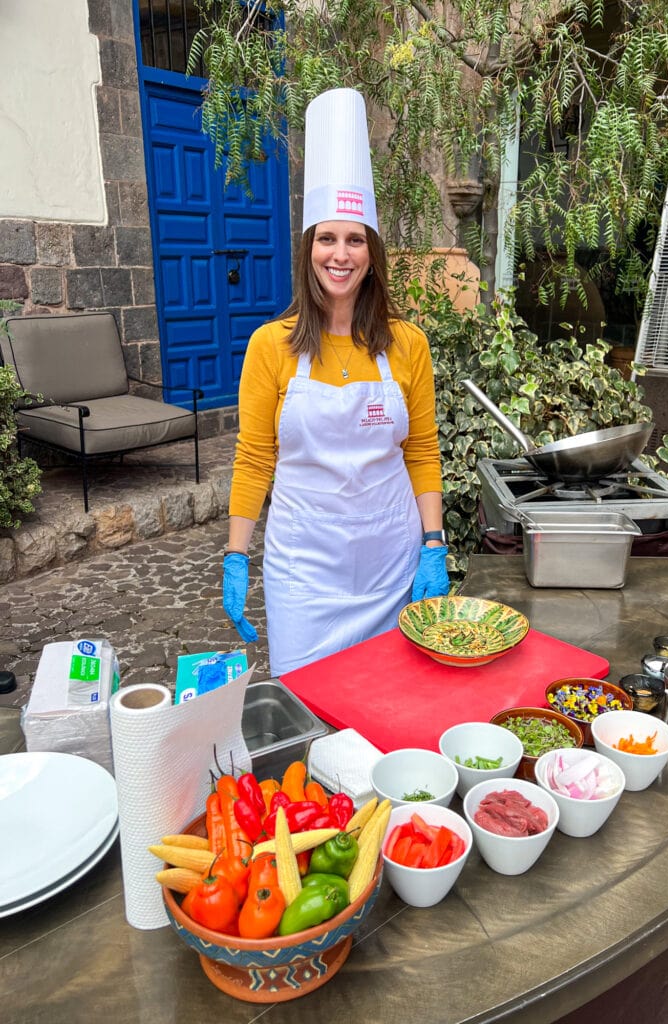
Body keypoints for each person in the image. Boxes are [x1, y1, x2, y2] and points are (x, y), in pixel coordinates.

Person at [221, 88, 449, 676]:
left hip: (389, 562)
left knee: (385, 696)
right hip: (304, 570)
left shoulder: (408, 345)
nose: (340, 254)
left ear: (371, 253)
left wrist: (432, 544)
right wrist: (236, 554)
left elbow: (421, 451)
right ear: (308, 249)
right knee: (306, 695)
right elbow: (254, 458)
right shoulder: (270, 346)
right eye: (327, 238)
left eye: (355, 240)